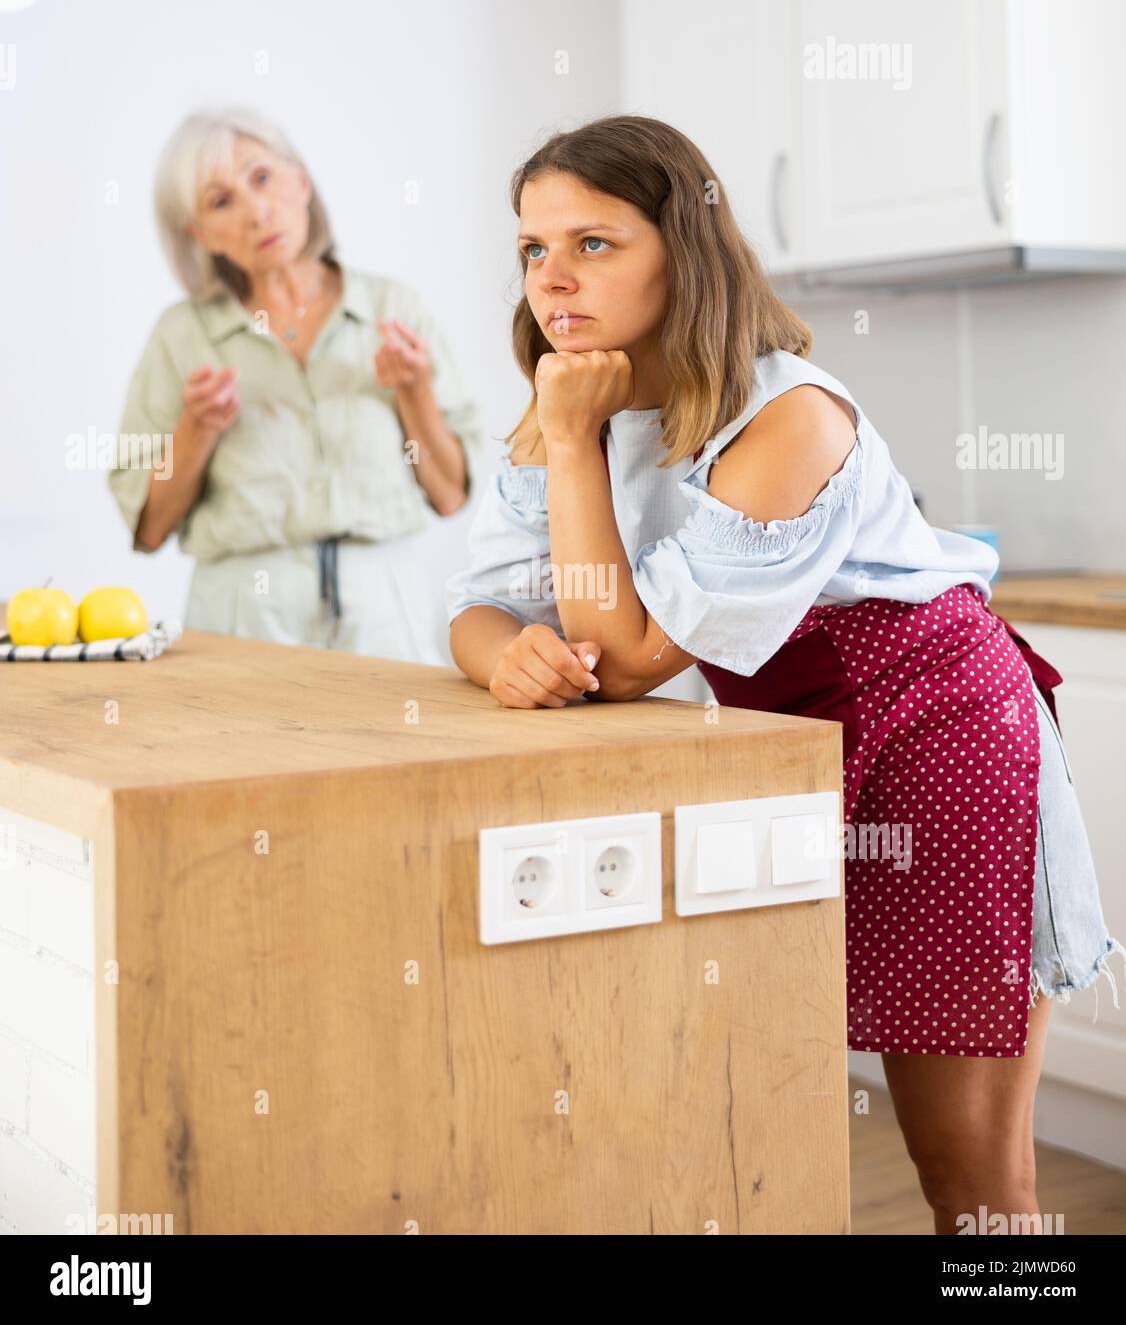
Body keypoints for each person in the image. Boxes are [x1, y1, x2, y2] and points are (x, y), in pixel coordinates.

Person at [445, 114, 1125, 1234]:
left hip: (937, 744)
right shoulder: (573, 396)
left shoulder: (788, 417)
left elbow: (619, 661)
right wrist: (502, 656)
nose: (550, 279)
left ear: (685, 247)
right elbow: (482, 604)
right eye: (531, 248)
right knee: (747, 1121)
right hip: (783, 747)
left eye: (593, 243)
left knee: (973, 1181)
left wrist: (568, 447)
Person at [108, 106, 486, 663]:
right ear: (200, 233)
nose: (256, 211)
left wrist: (415, 391)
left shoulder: (394, 308)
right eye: (221, 201)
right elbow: (149, 527)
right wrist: (197, 429)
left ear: (301, 180)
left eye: (262, 178)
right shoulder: (180, 334)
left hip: (383, 618)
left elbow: (452, 495)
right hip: (241, 625)